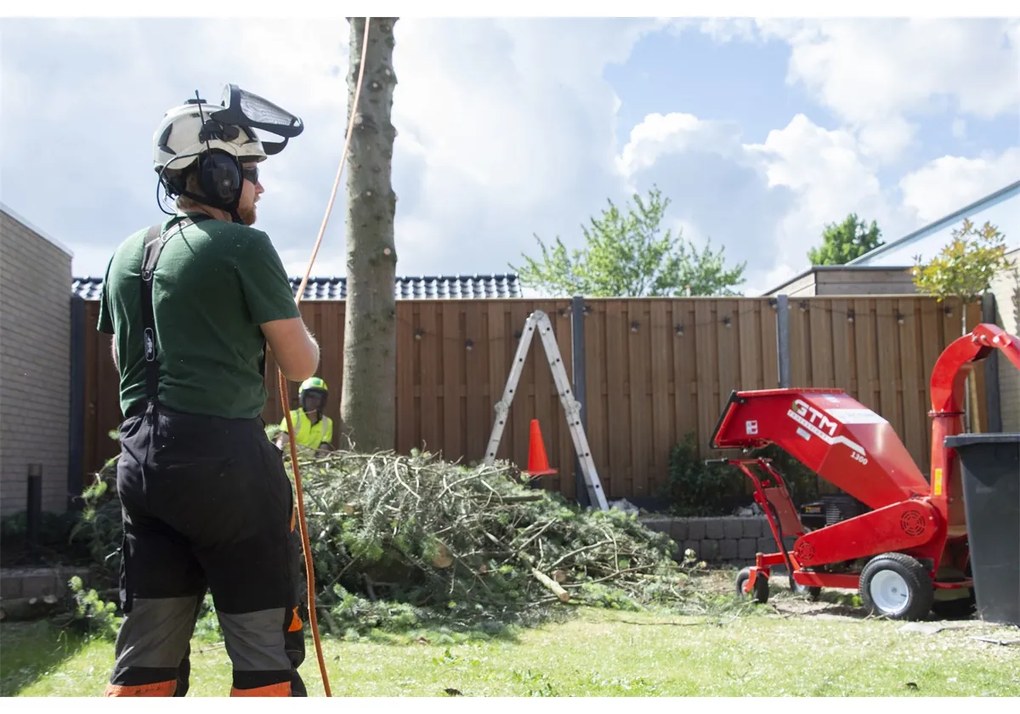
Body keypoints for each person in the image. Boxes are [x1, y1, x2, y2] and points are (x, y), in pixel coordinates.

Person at [97, 84, 316, 697]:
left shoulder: (125, 253)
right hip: (228, 469)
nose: (260, 188)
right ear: (218, 174)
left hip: (142, 464)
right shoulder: (244, 245)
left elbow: (122, 358)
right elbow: (300, 364)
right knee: (263, 654)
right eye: (251, 172)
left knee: (147, 661)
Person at [276, 377, 335, 453]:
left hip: (311, 460)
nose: (314, 401)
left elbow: (323, 451)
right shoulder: (292, 417)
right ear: (303, 397)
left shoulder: (327, 423)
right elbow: (281, 443)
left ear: (323, 400)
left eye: (318, 397)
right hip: (289, 459)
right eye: (310, 396)